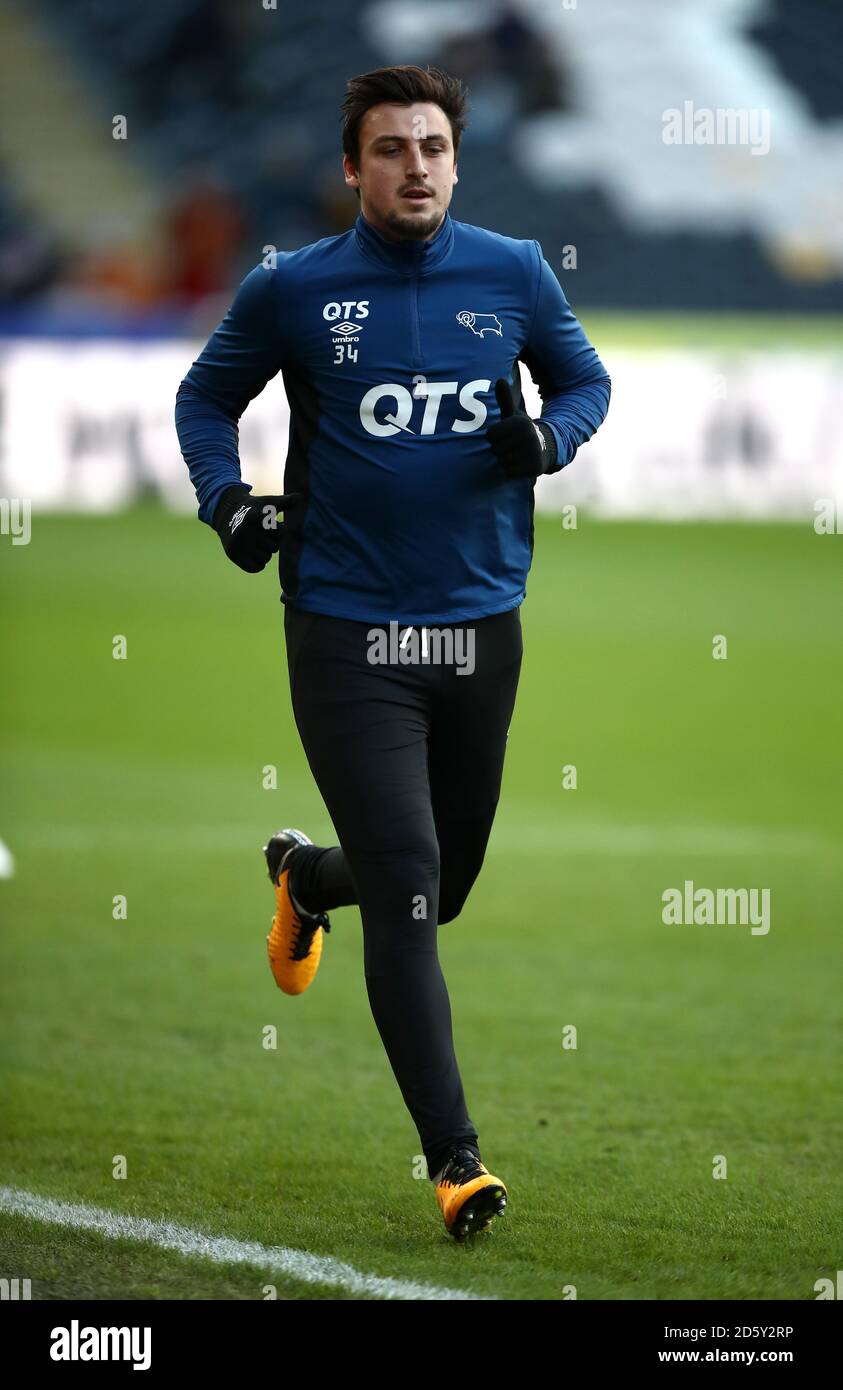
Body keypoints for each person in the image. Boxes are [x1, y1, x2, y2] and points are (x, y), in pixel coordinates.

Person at [175, 63, 611, 1240]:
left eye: (431, 146)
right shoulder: (295, 289)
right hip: (344, 631)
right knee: (412, 882)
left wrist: (551, 438)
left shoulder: (513, 271)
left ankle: (306, 877)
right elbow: (202, 403)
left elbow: (585, 381)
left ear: (456, 160)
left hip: (478, 631)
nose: (414, 165)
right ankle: (456, 1160)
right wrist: (229, 503)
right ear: (353, 168)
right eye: (389, 149)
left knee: (441, 883)